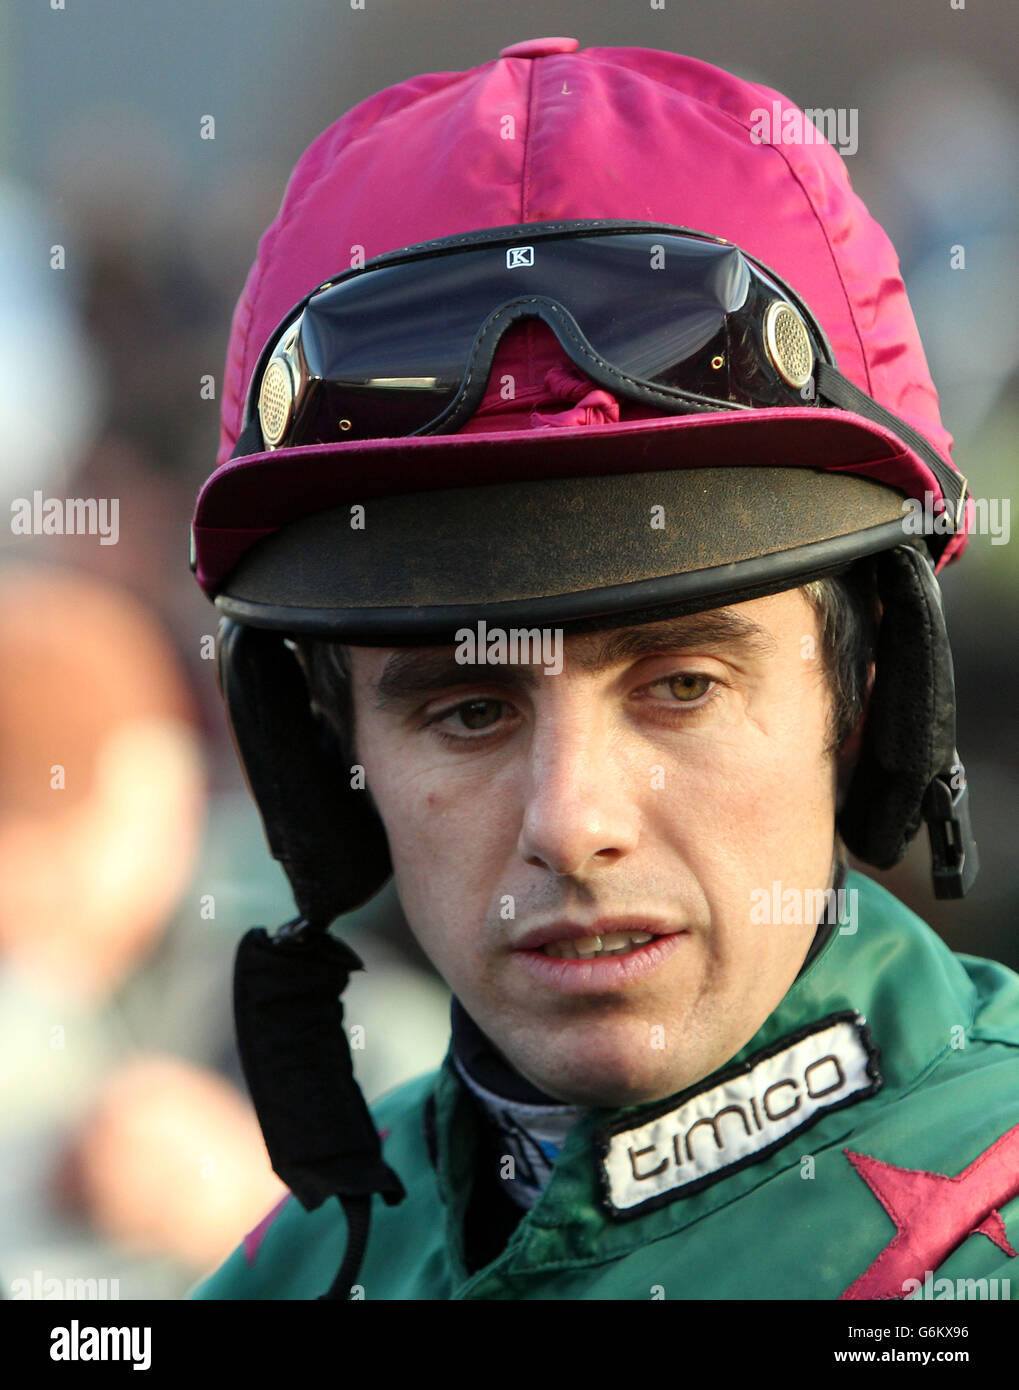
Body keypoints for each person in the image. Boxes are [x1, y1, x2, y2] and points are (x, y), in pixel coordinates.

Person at [188, 39, 1019, 1300]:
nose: (570, 825)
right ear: (325, 752)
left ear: (864, 698)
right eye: (469, 710)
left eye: (680, 683)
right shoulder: (291, 1270)